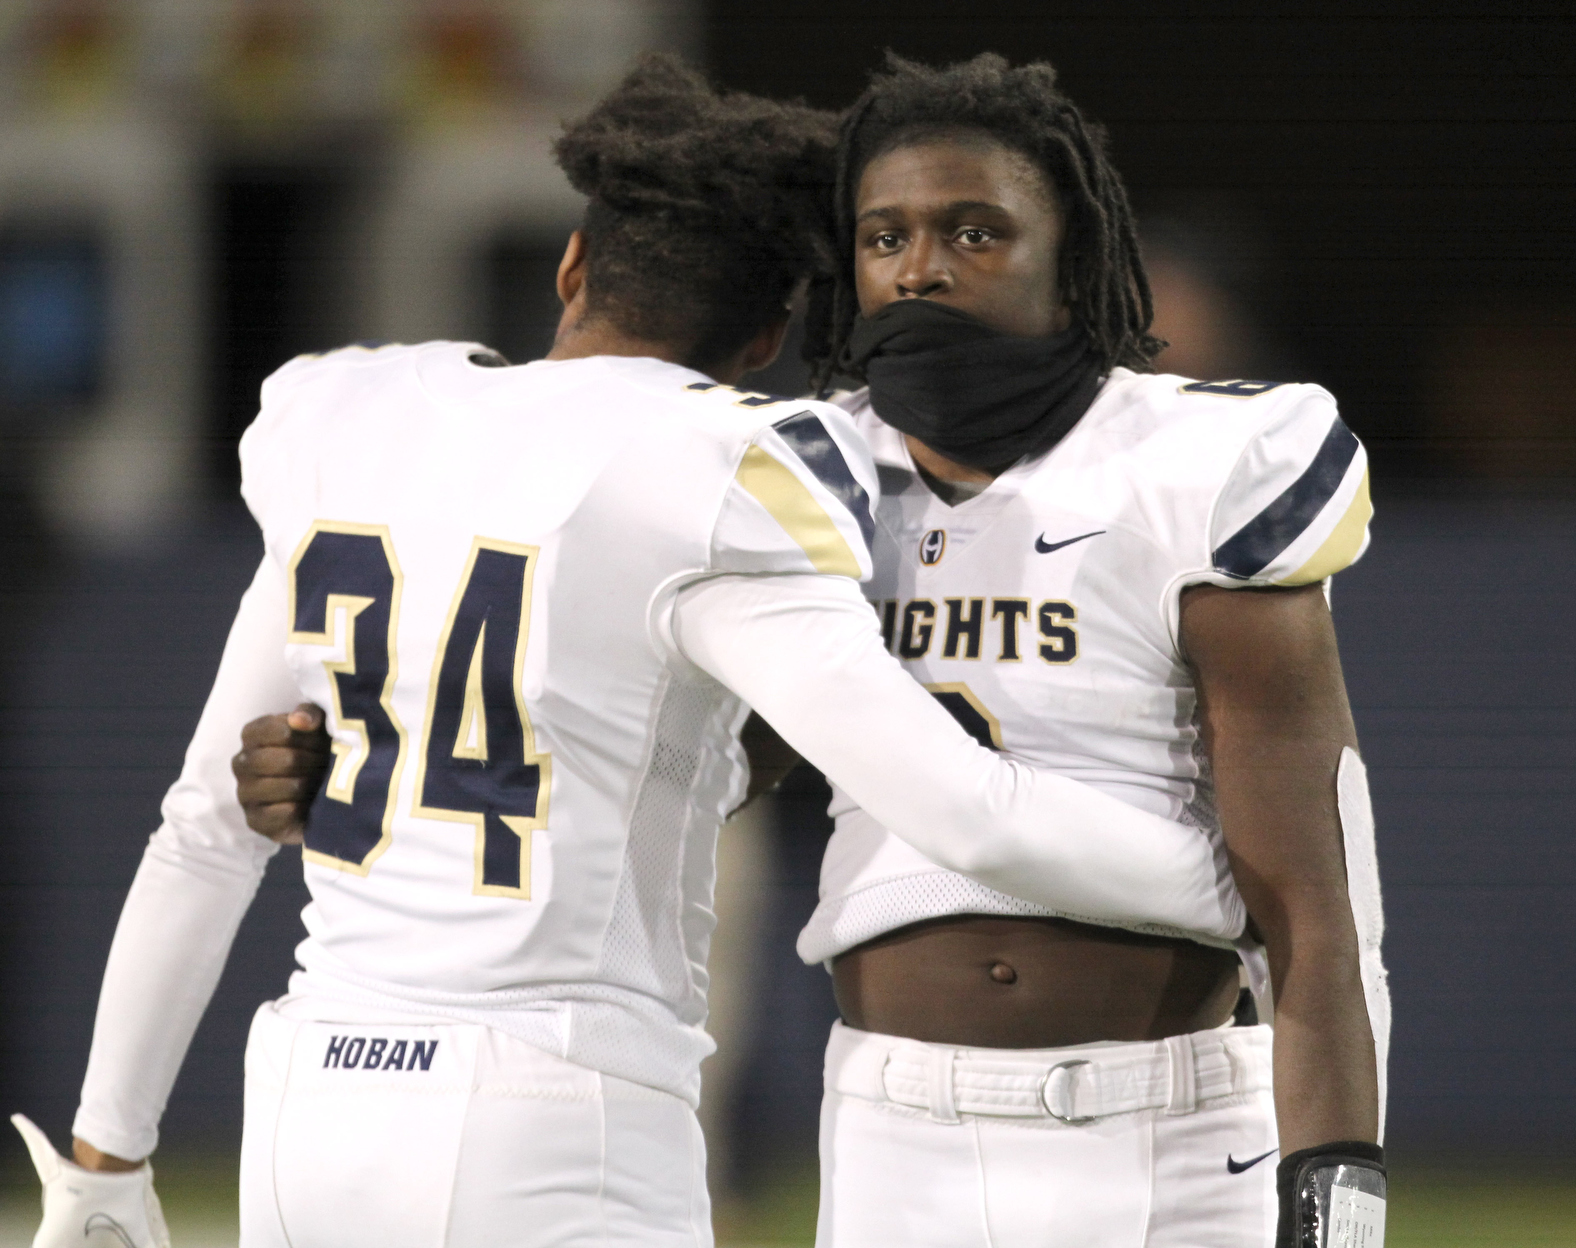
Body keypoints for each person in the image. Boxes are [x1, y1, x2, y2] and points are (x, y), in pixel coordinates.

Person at [10, 57, 1245, 1248]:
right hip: (552, 1104)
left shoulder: (343, 414)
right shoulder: (720, 465)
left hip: (314, 1092)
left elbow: (204, 826)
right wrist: (1249, 898)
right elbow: (963, 809)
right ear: (768, 335)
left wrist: (106, 1158)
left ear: (572, 265)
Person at [785, 53, 1388, 1248]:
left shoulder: (1190, 467)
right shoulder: (803, 478)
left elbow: (1314, 900)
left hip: (1166, 1124)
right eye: (884, 236)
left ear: (1070, 263)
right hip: (886, 1128)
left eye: (974, 231)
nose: (921, 266)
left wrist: (1339, 1182)